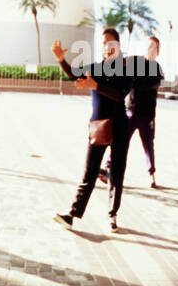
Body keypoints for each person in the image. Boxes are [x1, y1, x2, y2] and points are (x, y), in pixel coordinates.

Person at [51, 29, 132, 232]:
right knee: (90, 172)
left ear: (118, 46)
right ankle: (72, 214)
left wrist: (95, 85)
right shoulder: (96, 68)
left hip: (120, 127)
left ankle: (112, 215)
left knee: (117, 172)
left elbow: (120, 95)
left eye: (111, 42)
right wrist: (62, 59)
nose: (107, 47)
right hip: (99, 127)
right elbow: (72, 74)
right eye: (104, 43)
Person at [100, 36, 163, 188]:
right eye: (149, 47)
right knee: (120, 141)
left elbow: (148, 84)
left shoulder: (157, 70)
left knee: (148, 145)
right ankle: (108, 167)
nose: (151, 50)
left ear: (158, 51)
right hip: (131, 112)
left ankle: (151, 175)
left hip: (147, 115)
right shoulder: (135, 61)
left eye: (154, 47)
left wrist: (132, 79)